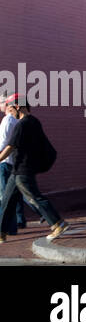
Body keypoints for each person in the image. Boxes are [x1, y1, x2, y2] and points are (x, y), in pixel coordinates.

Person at [0, 96, 67, 242]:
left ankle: (58, 223)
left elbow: (10, 147)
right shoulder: (34, 121)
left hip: (23, 169)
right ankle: (1, 232)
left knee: (34, 197)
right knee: (7, 200)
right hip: (18, 168)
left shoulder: (23, 124)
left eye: (11, 110)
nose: (10, 113)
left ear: (17, 106)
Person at [0, 96, 25, 234]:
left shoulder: (7, 120)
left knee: (5, 197)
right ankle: (12, 227)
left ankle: (7, 228)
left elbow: (4, 143)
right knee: (13, 196)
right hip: (14, 162)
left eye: (2, 103)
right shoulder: (18, 121)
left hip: (5, 162)